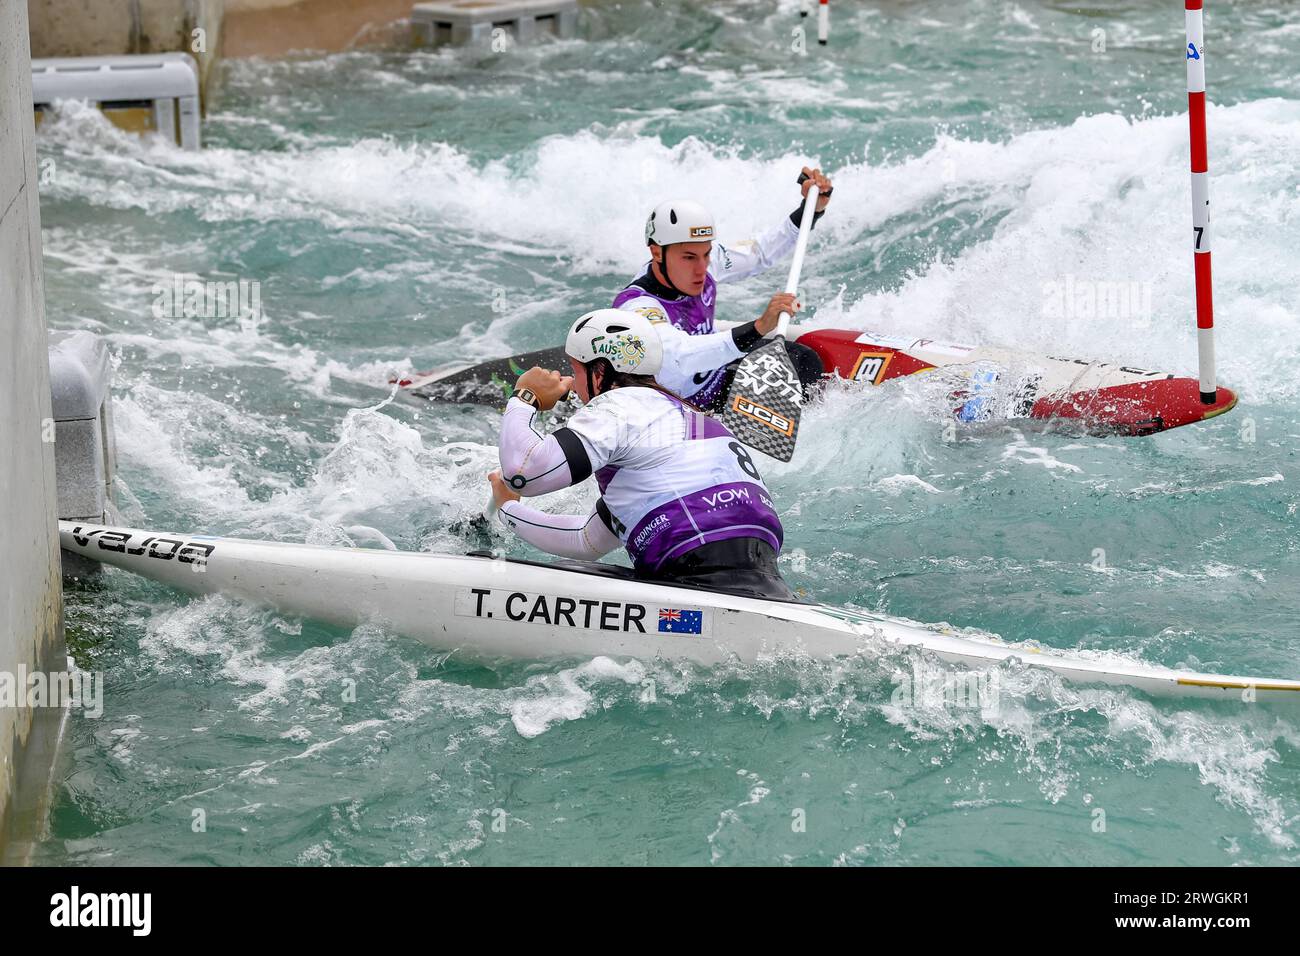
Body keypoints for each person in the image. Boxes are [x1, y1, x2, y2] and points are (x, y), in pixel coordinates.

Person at [487, 308, 796, 600]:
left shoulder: (619, 407)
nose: (573, 384)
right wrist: (508, 510)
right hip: (761, 576)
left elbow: (522, 474)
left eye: (576, 370)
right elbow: (585, 540)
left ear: (599, 373)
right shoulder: (686, 419)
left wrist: (525, 398)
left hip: (694, 569)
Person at [612, 167, 833, 410]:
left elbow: (759, 254)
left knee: (801, 361)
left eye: (705, 254)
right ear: (657, 253)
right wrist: (759, 328)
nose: (701, 268)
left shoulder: (706, 260)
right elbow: (683, 356)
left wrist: (810, 209)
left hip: (716, 377)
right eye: (688, 257)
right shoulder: (637, 308)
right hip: (679, 406)